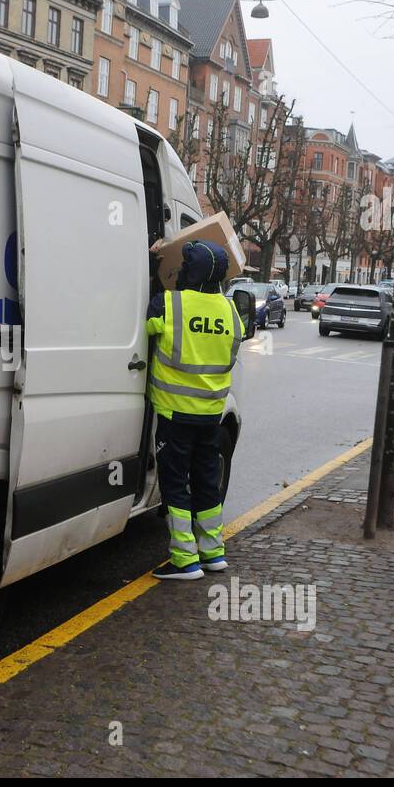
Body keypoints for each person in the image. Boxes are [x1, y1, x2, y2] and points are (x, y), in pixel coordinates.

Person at [144, 240, 243, 581]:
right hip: (211, 416)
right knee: (206, 483)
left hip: (175, 415)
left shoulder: (170, 305)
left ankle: (185, 560)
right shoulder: (230, 310)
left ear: (191, 271)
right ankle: (213, 553)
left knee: (174, 485)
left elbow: (146, 328)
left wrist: (155, 270)